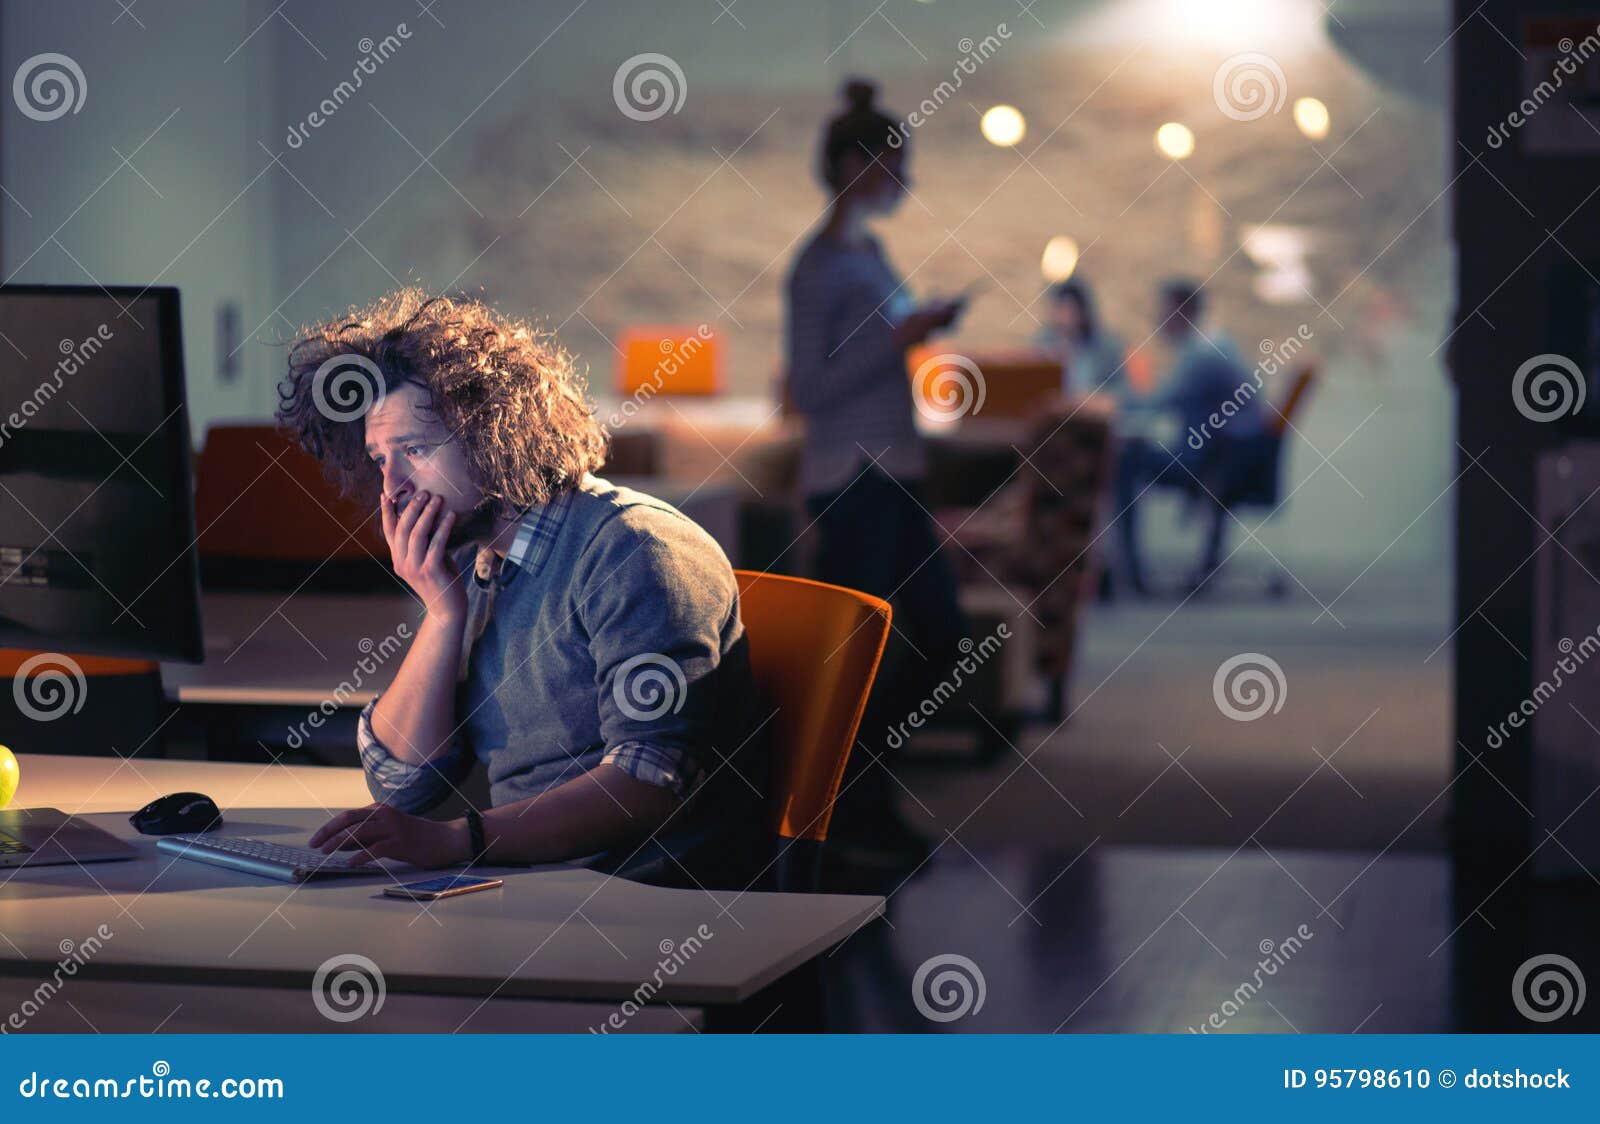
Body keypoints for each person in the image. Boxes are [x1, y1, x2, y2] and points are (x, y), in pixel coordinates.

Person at [275, 289, 767, 886]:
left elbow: (648, 782)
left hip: (639, 901)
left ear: (495, 434)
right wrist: (442, 616)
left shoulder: (632, 549)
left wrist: (459, 840)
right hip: (531, 885)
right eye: (380, 458)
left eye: (415, 449)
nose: (392, 487)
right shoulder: (477, 561)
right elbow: (401, 783)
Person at [784, 79, 968, 869]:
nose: (904, 181)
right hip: (854, 477)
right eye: (894, 165)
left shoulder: (868, 255)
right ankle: (851, 809)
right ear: (853, 166)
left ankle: (861, 799)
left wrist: (912, 332)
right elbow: (809, 388)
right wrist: (898, 339)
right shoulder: (818, 267)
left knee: (937, 637)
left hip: (892, 470)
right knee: (863, 653)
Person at [1114, 279, 1270, 595]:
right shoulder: (1212, 344)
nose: (1158, 319)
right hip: (1225, 457)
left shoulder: (1202, 355)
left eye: (1164, 311)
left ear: (1183, 312)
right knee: (1134, 450)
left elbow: (1157, 403)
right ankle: (1129, 569)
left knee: (1125, 460)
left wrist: (1101, 401)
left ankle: (1129, 573)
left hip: (1214, 464)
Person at [1035, 278, 1129, 404]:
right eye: (1060, 309)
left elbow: (1123, 390)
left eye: (1071, 309)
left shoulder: (1107, 347)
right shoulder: (1043, 345)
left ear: (1083, 311)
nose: (1065, 317)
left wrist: (1101, 399)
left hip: (1094, 412)